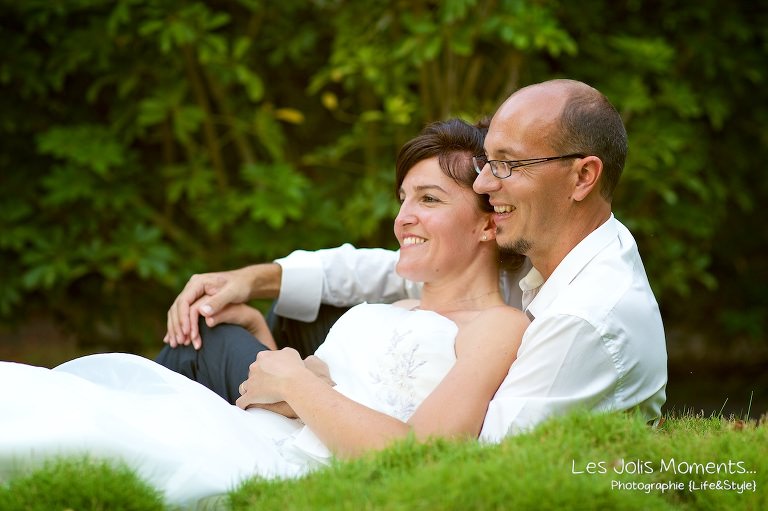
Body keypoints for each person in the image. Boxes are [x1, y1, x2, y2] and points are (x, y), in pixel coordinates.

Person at [0, 119, 529, 506]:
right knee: (53, 404)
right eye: (402, 198)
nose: (402, 218)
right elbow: (321, 394)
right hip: (255, 429)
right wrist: (272, 352)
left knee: (74, 434)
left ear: (488, 224)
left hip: (280, 467)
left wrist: (295, 382)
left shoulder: (498, 325)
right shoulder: (397, 304)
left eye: (429, 200)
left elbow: (421, 454)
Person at [162, 78, 668, 440]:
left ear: (583, 178)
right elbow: (382, 270)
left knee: (199, 342)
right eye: (489, 165)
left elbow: (468, 456)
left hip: (365, 447)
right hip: (332, 424)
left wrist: (302, 390)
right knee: (285, 314)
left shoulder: (578, 319)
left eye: (508, 166)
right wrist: (255, 284)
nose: (488, 184)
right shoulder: (547, 253)